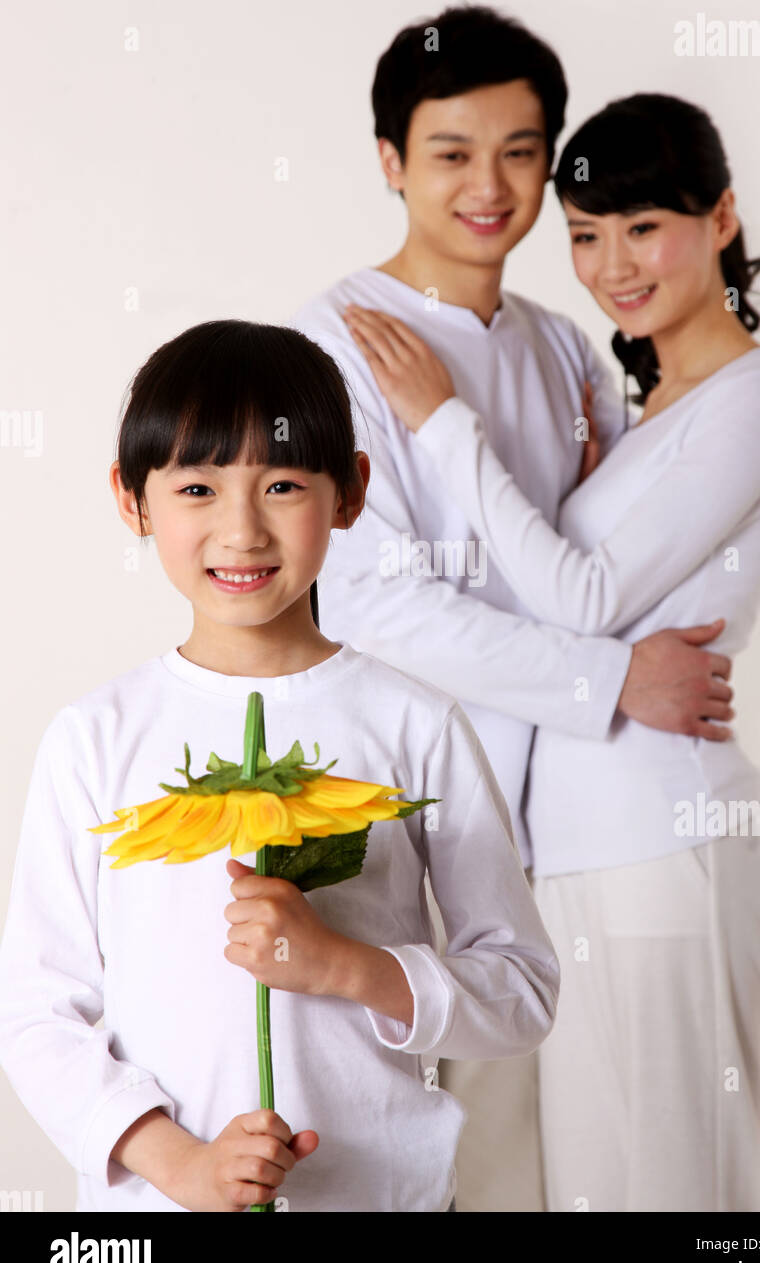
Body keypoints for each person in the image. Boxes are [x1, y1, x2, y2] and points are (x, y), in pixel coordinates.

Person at [288, 5, 760, 1211]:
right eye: (450, 152)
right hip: (414, 828)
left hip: (575, 844)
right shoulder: (341, 347)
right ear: (391, 161)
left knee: (597, 1177)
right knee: (448, 1169)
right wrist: (607, 680)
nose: (490, 187)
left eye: (521, 151)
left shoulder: (565, 349)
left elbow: (639, 513)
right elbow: (375, 602)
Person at [0, 319, 560, 1213]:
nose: (242, 529)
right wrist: (177, 1162)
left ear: (350, 493)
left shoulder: (414, 724)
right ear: (131, 500)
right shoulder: (93, 738)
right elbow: (34, 1015)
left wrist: (346, 966)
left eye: (285, 484)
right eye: (196, 487)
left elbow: (522, 989)